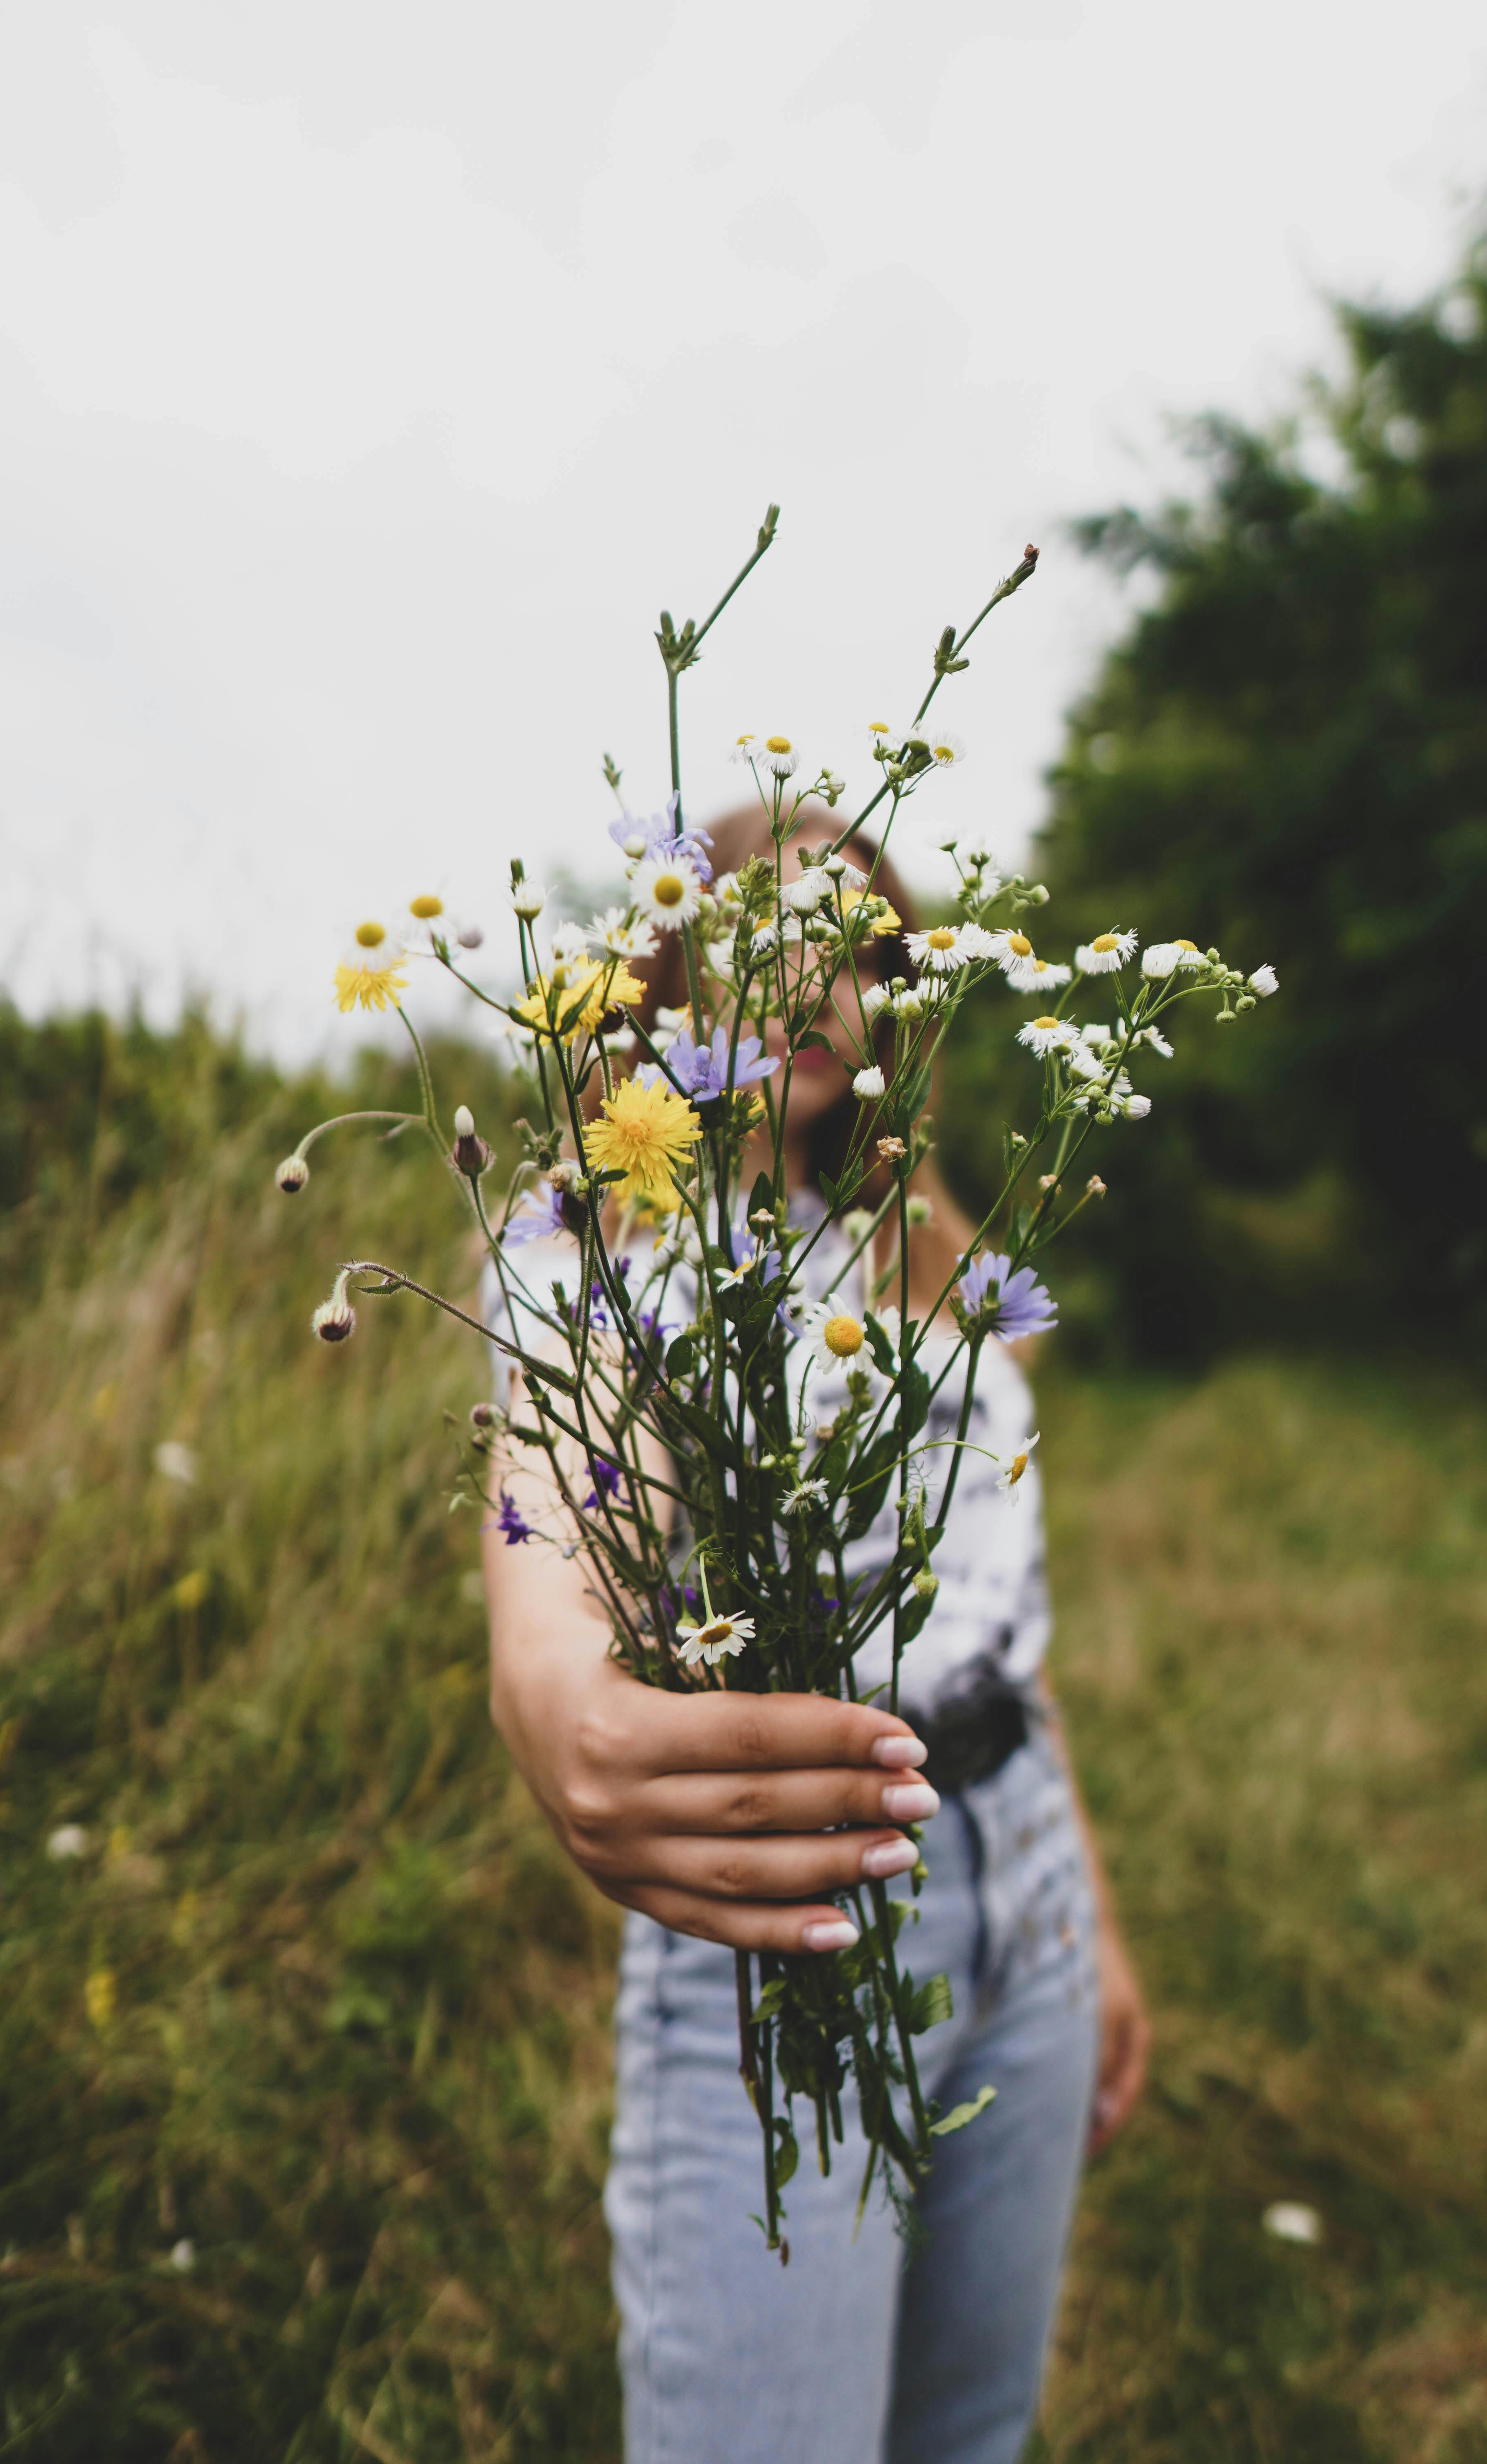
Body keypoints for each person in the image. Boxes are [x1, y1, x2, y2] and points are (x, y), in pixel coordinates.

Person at [482, 803, 1150, 2464]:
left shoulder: (922, 1241)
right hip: (791, 1916)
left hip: (1029, 1889)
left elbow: (997, 1605)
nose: (806, 983)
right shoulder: (599, 1239)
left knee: (971, 2436)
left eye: (849, 951)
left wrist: (1093, 1913)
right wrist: (559, 1693)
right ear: (677, 961)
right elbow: (566, 1502)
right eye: (761, 934)